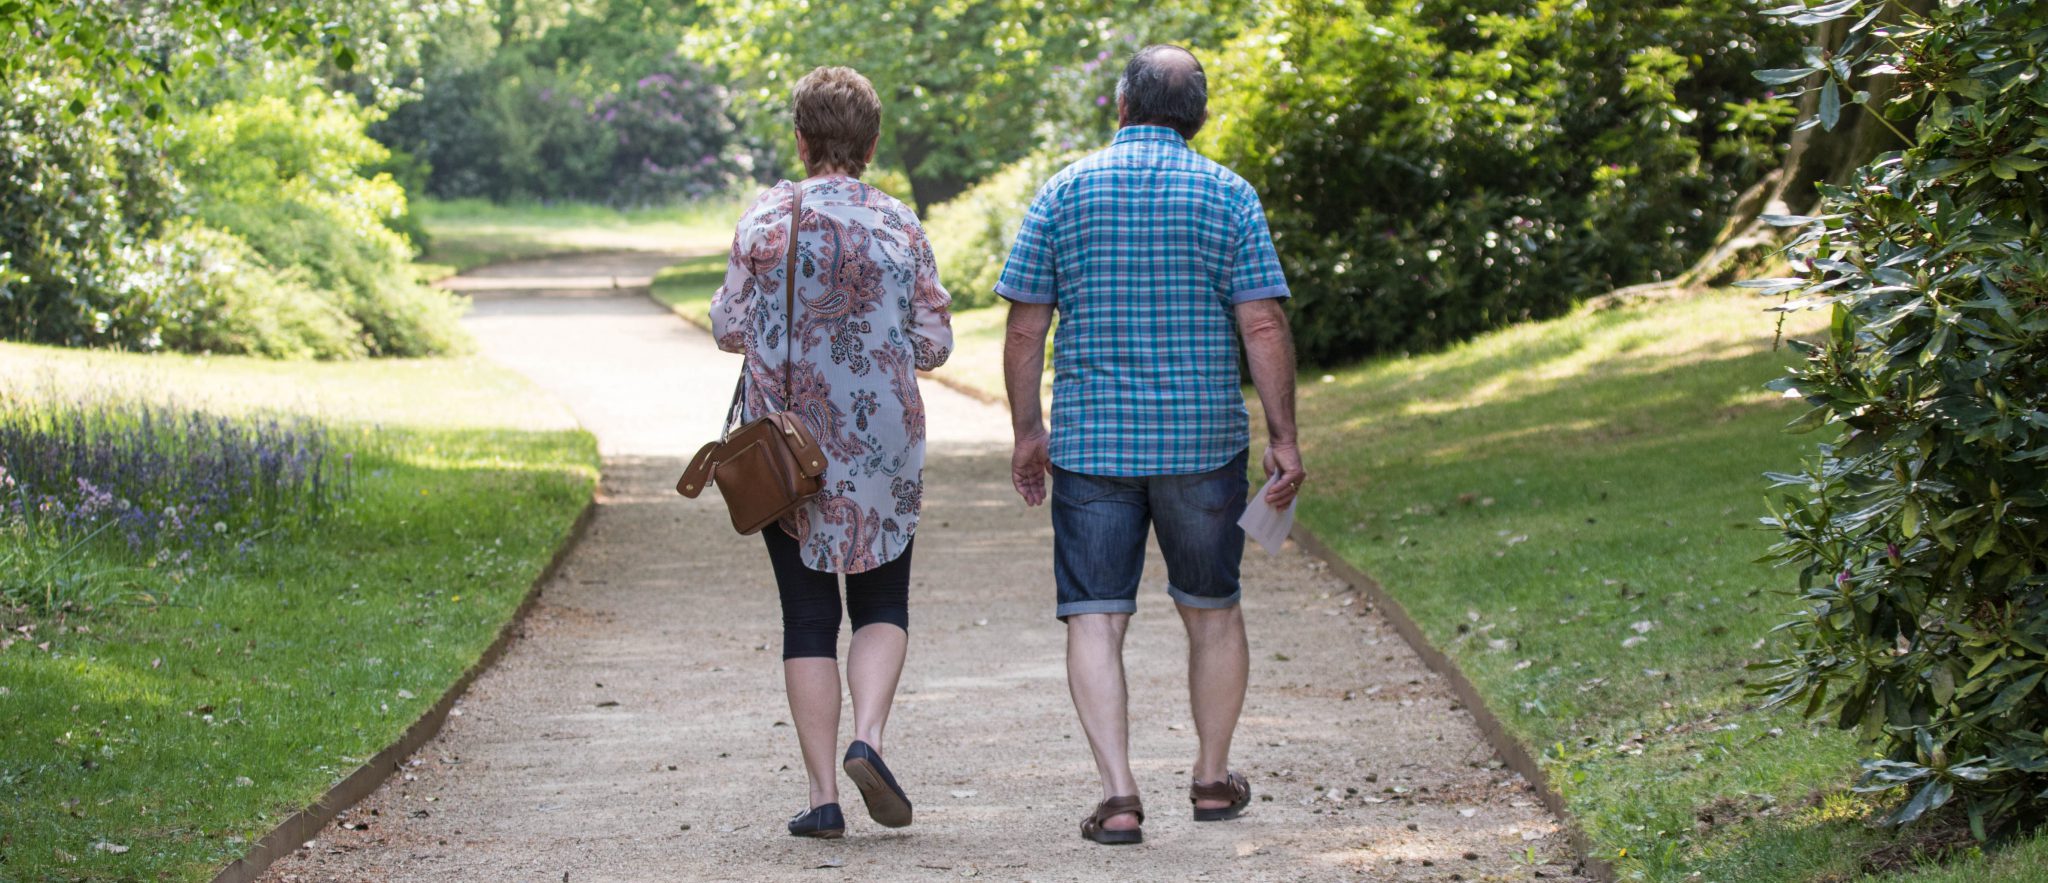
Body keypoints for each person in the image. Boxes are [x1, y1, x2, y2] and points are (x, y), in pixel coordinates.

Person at [996, 44, 1305, 846]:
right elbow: (1262, 320)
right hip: (1202, 443)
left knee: (1095, 617)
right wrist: (1284, 437)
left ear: (1121, 105)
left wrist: (1030, 431)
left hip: (1093, 446)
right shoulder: (1230, 195)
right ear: (1196, 116)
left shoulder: (1063, 192)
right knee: (1213, 608)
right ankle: (1210, 778)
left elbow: (1027, 324)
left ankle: (1119, 795)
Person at [708, 65, 953, 840]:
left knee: (807, 614)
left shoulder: (766, 220)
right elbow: (936, 343)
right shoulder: (900, 226)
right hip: (883, 442)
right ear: (872, 143)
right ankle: (868, 740)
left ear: (802, 139)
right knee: (882, 601)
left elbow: (727, 328)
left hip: (787, 446)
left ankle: (823, 796)